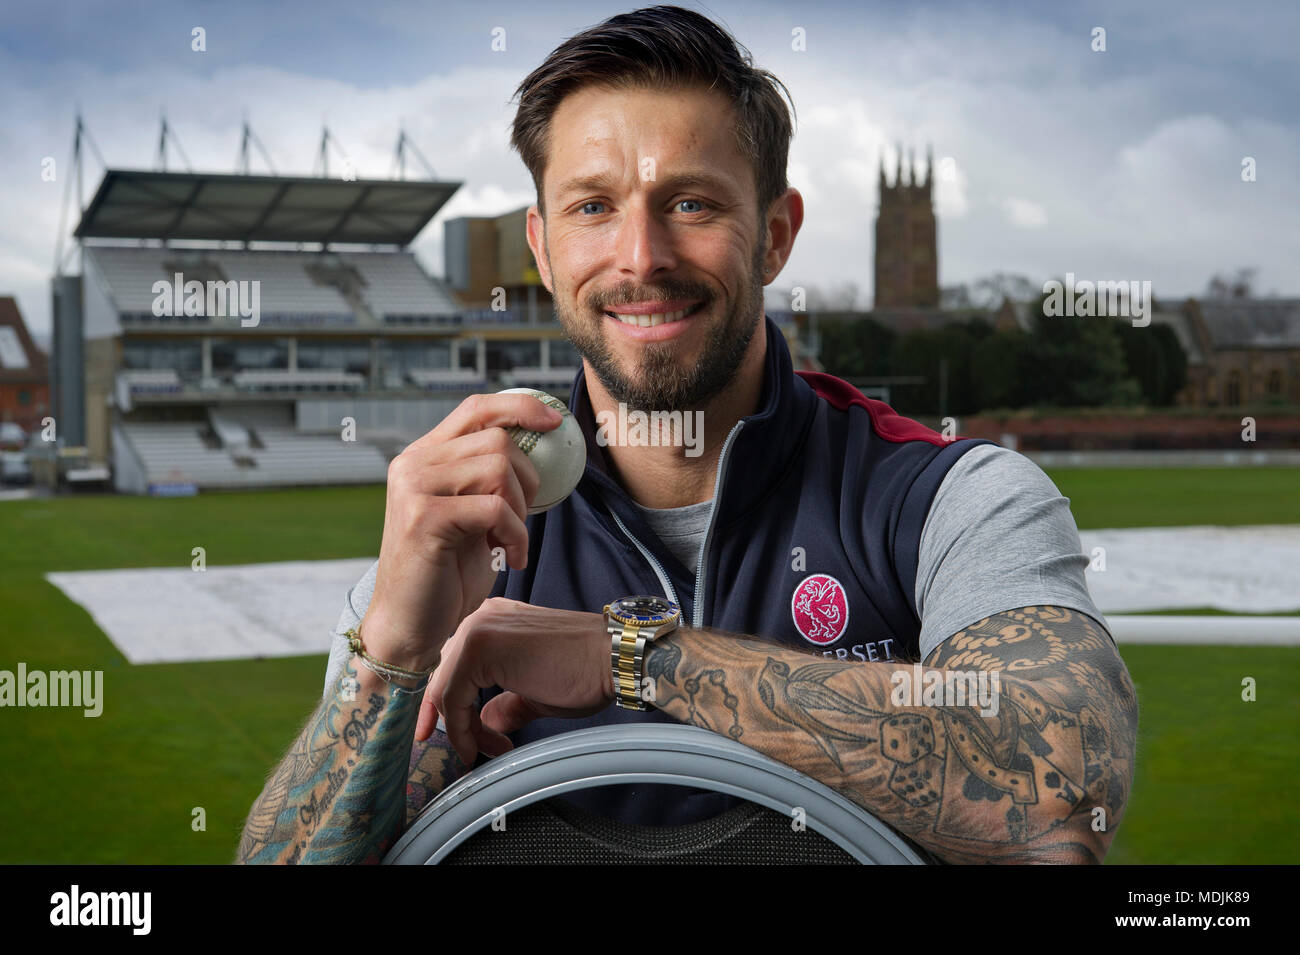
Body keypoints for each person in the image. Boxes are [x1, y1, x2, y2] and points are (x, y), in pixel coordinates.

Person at [237, 5, 1137, 865]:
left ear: (776, 235)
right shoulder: (461, 534)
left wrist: (631, 656)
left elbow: (1061, 792)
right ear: (543, 250)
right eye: (593, 207)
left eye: (693, 204)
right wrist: (394, 644)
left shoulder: (951, 497)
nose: (642, 256)